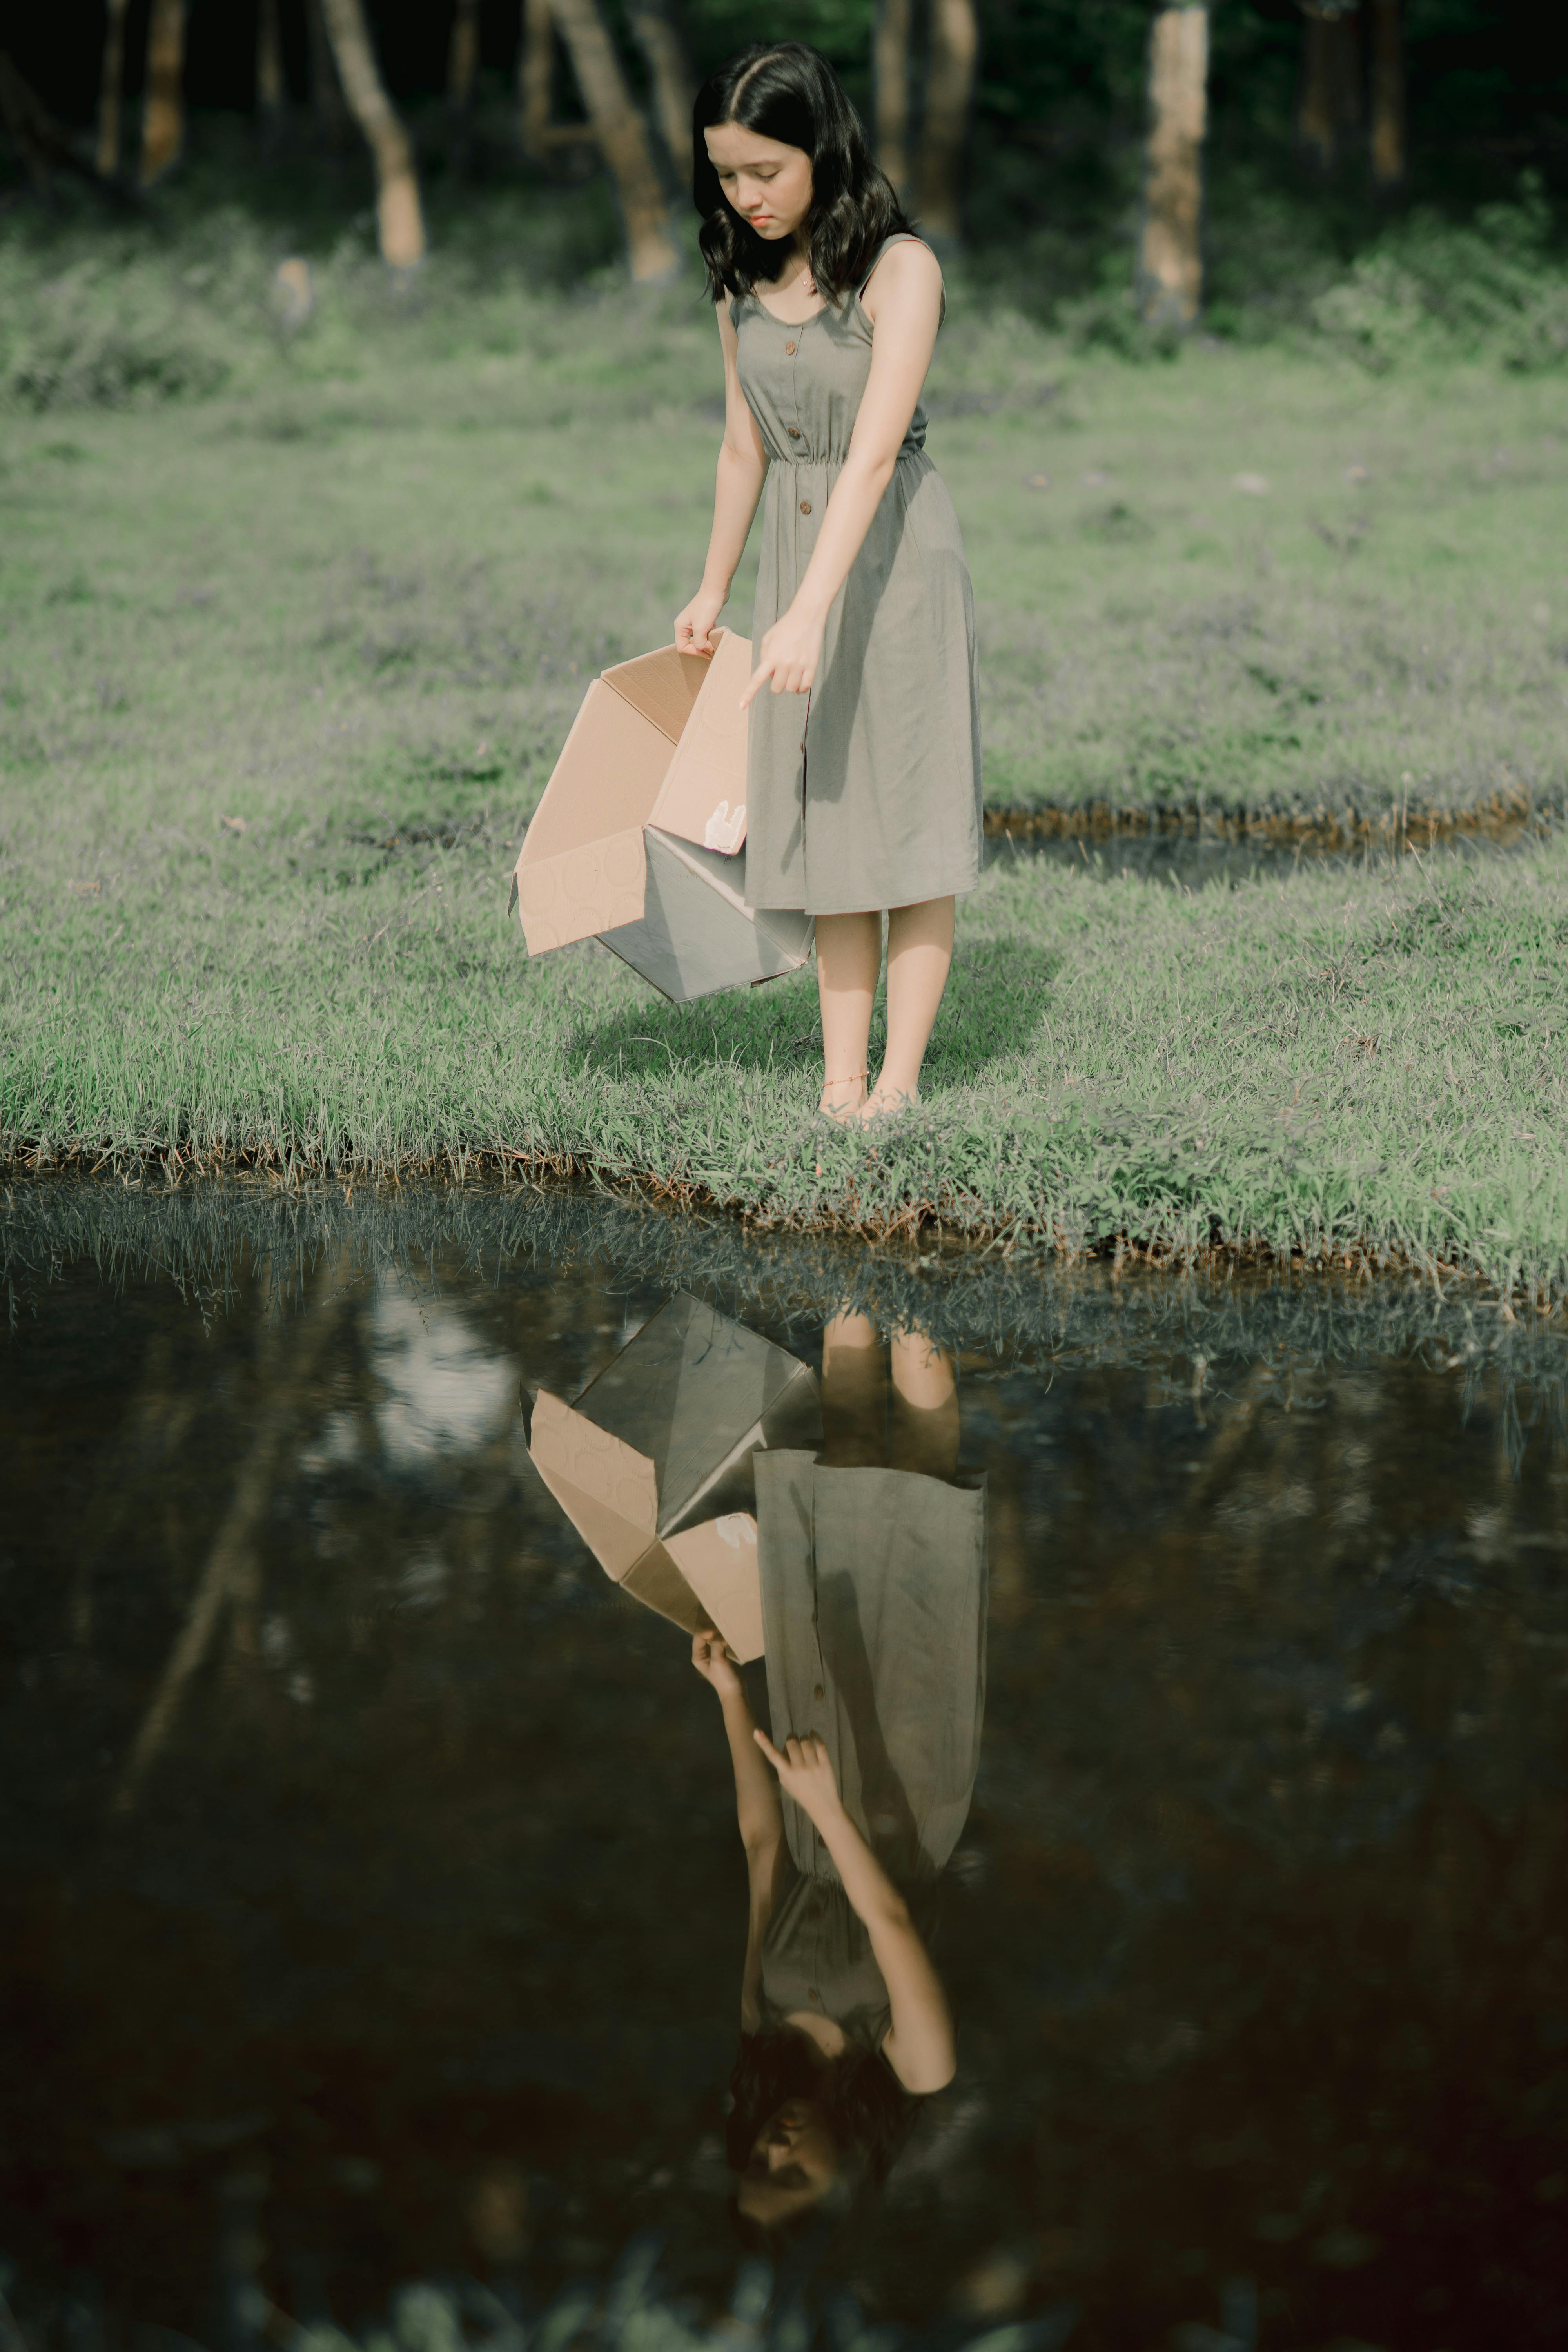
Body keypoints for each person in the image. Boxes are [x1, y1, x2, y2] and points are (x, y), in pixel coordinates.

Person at [675, 44, 984, 1125]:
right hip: (793, 557)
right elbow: (740, 449)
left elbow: (870, 453)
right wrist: (715, 590)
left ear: (821, 148)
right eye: (726, 174)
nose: (746, 196)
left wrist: (812, 609)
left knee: (908, 812)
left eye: (766, 170)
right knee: (828, 820)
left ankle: (898, 1087)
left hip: (893, 551)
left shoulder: (901, 269)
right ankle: (839, 1085)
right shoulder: (742, 279)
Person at [690, 1314, 987, 2241]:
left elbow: (759, 1842)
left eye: (757, 2162)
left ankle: (862, 1265)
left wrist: (730, 1699)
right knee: (918, 1515)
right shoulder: (915, 2067)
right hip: (903, 1785)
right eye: (794, 2179)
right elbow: (891, 1921)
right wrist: (828, 1804)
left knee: (839, 1481)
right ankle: (924, 1300)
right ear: (840, 2185)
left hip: (808, 1776)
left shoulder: (760, 2033)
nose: (776, 2151)